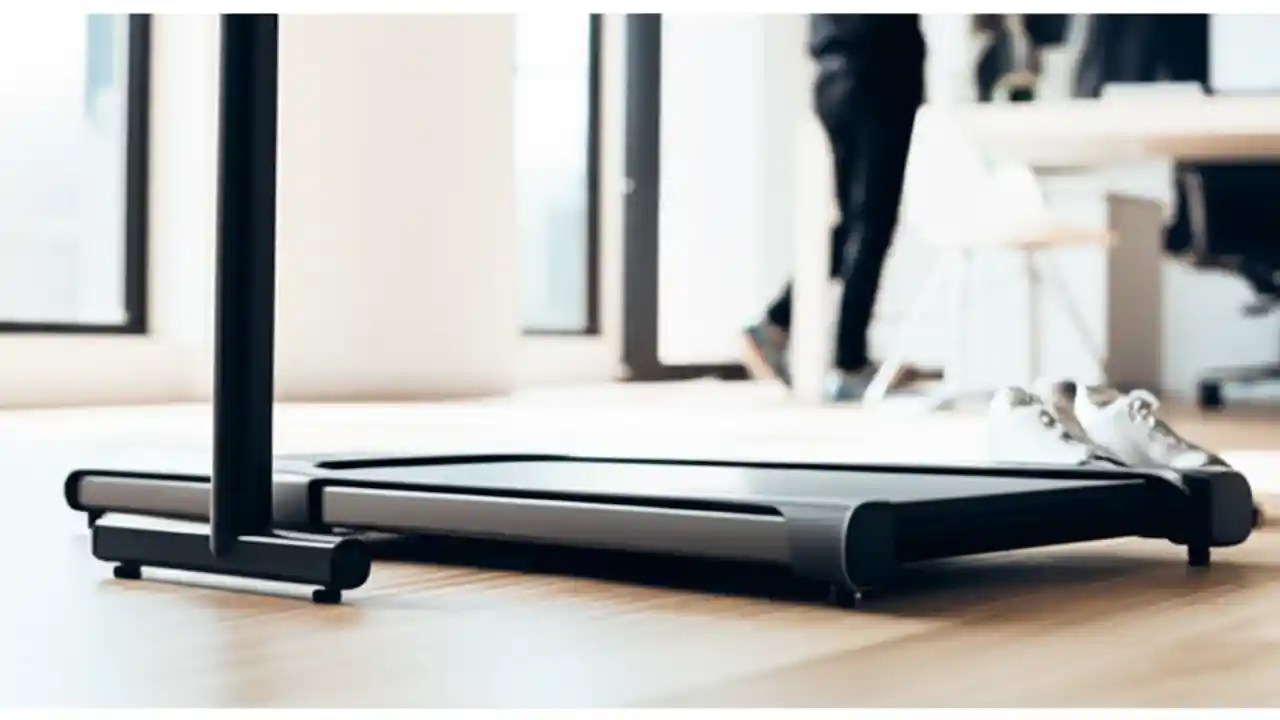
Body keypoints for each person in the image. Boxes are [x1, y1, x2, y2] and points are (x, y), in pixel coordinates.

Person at [743, 14, 926, 401]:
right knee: (872, 223)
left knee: (854, 223)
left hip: (834, 69)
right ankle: (850, 363)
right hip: (880, 68)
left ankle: (778, 323)